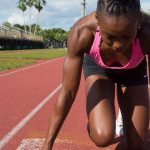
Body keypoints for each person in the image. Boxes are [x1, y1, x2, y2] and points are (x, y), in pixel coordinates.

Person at [43, 0, 150, 149]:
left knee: (137, 145)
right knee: (102, 137)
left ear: (138, 19)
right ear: (98, 20)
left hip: (134, 72)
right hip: (100, 70)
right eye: (110, 37)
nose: (118, 46)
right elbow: (67, 92)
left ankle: (126, 114)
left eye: (126, 36)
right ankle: (96, 124)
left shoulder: (147, 32)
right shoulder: (82, 32)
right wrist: (47, 144)